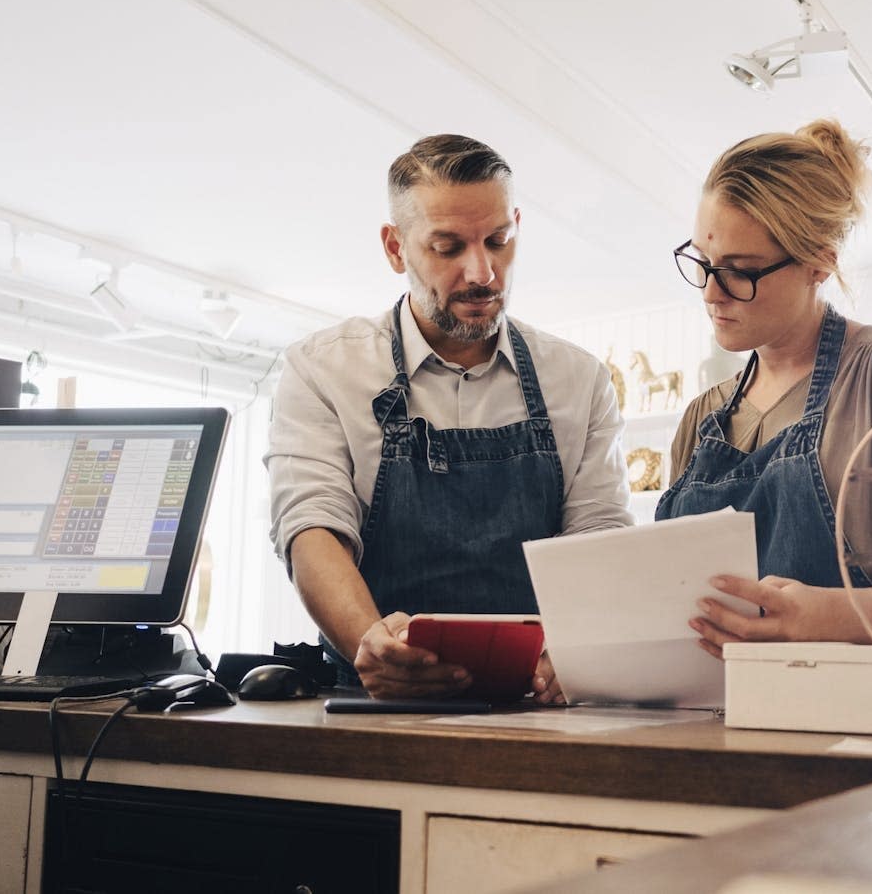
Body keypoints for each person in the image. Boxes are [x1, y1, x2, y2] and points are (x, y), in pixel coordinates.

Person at [266, 134, 632, 699]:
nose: (482, 272)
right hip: (375, 705)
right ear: (395, 248)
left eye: (498, 241)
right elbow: (313, 528)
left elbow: (598, 531)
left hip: (538, 705)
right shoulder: (321, 369)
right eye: (448, 247)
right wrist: (372, 644)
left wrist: (578, 646)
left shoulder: (580, 380)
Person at [658, 119, 872, 658]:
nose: (711, 293)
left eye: (741, 271)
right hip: (710, 724)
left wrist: (821, 616)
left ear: (820, 262)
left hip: (857, 725)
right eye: (702, 262)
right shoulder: (703, 416)